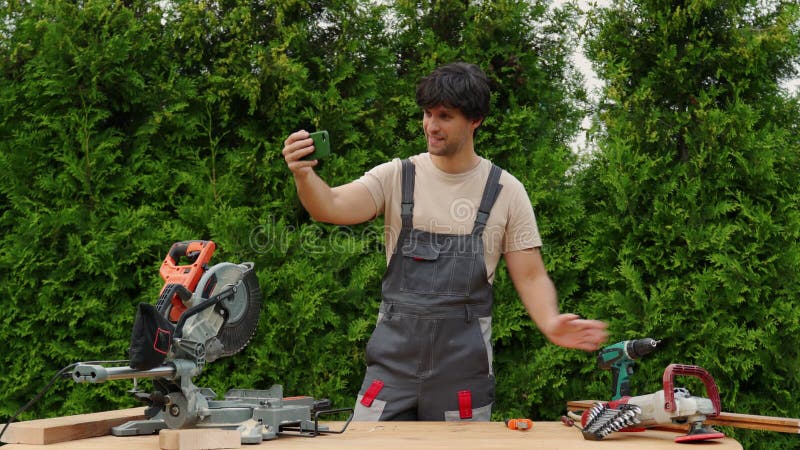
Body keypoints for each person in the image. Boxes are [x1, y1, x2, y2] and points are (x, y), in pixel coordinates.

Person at [281, 62, 608, 421]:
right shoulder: (397, 176)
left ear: (475, 120)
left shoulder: (505, 191)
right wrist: (303, 175)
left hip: (463, 380)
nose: (431, 126)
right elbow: (330, 206)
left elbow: (530, 275)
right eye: (428, 113)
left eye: (445, 116)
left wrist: (550, 321)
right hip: (389, 375)